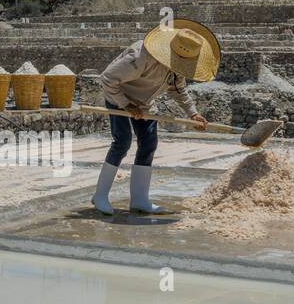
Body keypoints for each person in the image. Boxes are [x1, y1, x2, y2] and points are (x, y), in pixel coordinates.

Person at [91, 18, 220, 215]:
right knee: (122, 141)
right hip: (119, 97)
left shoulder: (177, 68)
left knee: (149, 144)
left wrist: (193, 113)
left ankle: (139, 199)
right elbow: (108, 79)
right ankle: (100, 195)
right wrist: (126, 104)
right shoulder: (141, 56)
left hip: (144, 104)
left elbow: (178, 90)